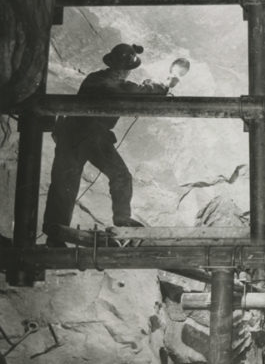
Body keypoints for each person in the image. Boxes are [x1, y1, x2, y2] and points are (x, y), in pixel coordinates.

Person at [42, 44, 181, 242]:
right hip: (77, 137)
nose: (125, 73)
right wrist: (165, 84)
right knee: (67, 185)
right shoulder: (104, 81)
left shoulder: (104, 80)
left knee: (116, 177)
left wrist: (154, 86)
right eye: (126, 69)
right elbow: (139, 91)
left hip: (88, 136)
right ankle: (57, 235)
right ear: (121, 68)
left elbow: (133, 91)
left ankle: (121, 219)